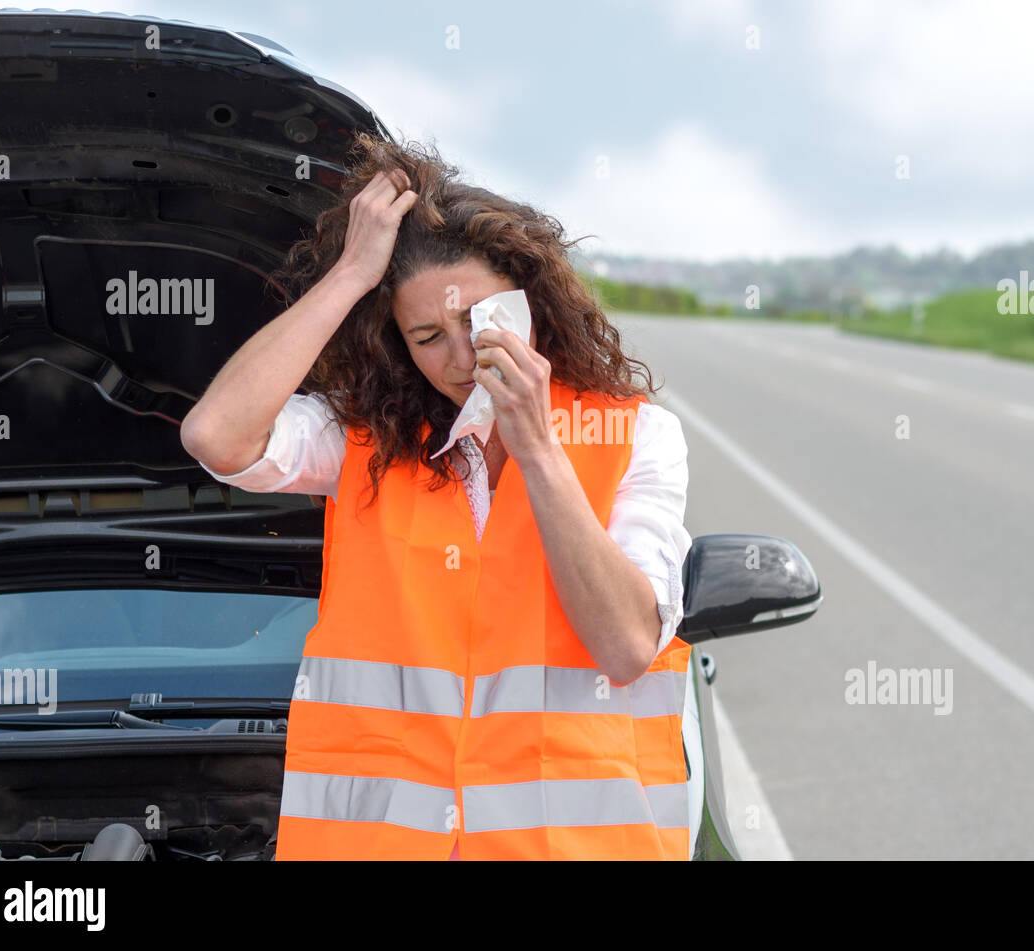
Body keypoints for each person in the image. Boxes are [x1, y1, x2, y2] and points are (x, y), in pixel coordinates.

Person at [180, 132, 694, 860]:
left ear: (532, 300)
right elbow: (215, 435)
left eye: (481, 321)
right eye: (426, 336)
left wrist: (538, 448)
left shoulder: (636, 434)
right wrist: (353, 274)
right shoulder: (366, 436)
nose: (461, 358)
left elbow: (626, 645)